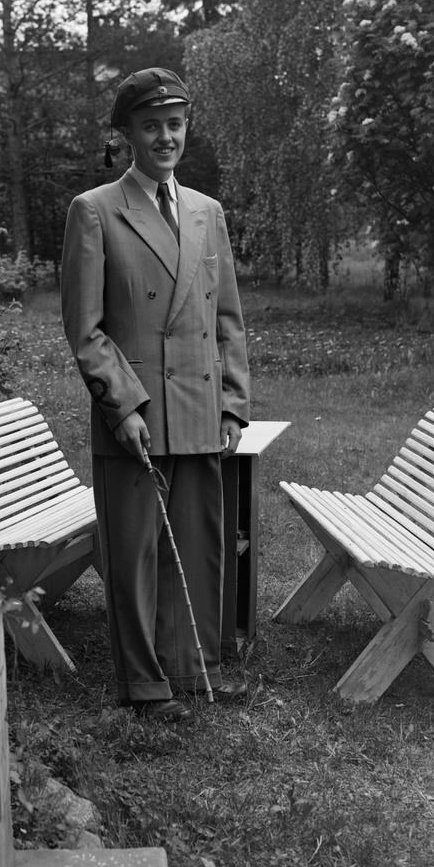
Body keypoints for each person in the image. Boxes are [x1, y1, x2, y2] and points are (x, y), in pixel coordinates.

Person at [61, 67, 250, 722]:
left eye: (174, 124)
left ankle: (192, 669)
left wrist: (232, 402)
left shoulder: (206, 211)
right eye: (150, 126)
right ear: (127, 135)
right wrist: (122, 407)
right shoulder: (94, 210)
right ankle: (144, 684)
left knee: (196, 543)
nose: (165, 137)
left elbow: (227, 320)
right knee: (135, 553)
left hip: (199, 405)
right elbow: (85, 328)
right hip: (136, 413)